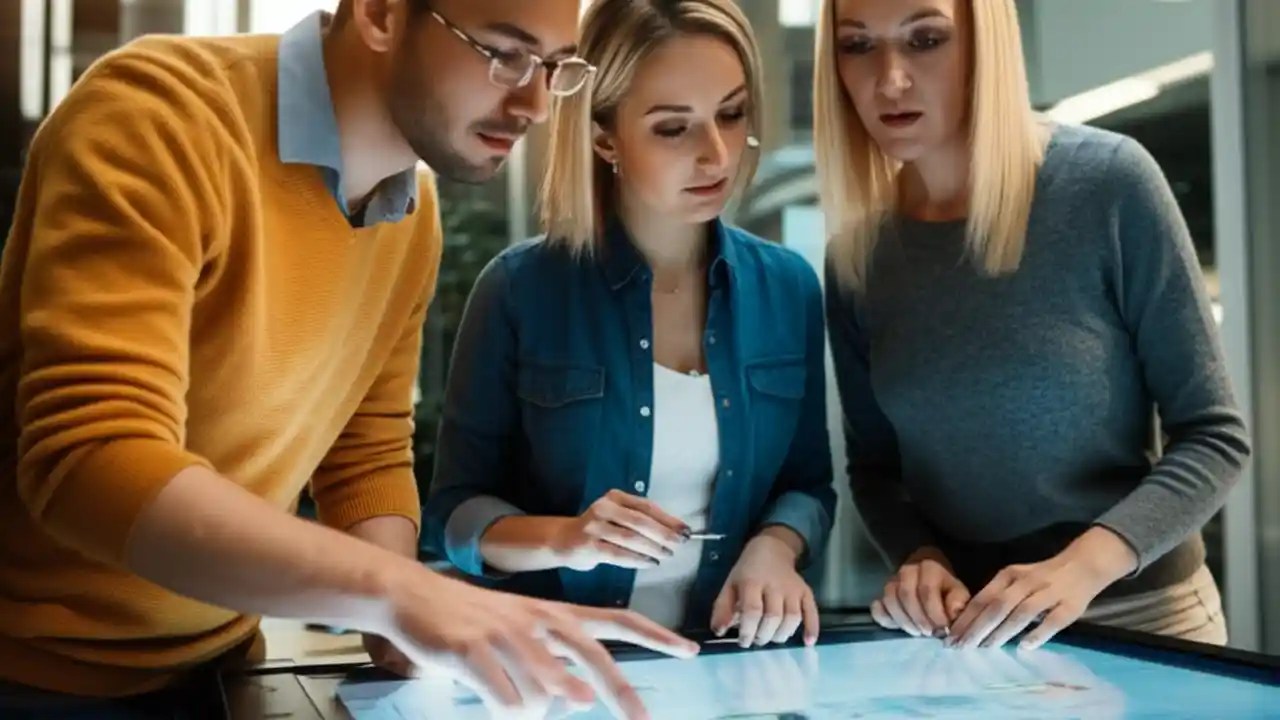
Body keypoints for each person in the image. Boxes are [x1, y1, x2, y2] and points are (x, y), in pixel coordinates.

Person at [0, 0, 700, 717]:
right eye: (506, 54)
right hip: (37, 674)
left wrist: (397, 621)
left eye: (555, 69)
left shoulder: (411, 211)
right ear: (379, 13)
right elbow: (88, 458)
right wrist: (401, 593)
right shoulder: (159, 117)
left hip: (221, 669)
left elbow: (364, 456)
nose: (536, 104)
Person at [813, 0, 1251, 650]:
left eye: (926, 39)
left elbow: (1215, 437)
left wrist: (1079, 569)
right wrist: (919, 557)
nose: (890, 79)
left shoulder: (1106, 183)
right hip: (969, 637)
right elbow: (875, 470)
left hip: (1142, 619)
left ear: (985, 45)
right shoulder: (859, 255)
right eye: (857, 46)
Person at [424, 0, 836, 649]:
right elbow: (452, 516)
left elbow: (808, 485)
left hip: (728, 660)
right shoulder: (517, 289)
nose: (717, 154)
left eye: (731, 114)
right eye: (674, 129)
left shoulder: (788, 288)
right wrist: (564, 538)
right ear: (603, 135)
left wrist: (774, 550)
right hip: (558, 662)